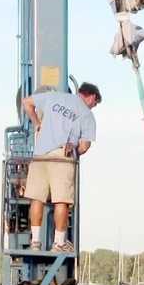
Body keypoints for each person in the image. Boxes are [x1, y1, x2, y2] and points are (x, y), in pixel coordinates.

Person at [21, 82, 101, 253]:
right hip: (62, 158)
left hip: (40, 155)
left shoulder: (52, 97)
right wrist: (74, 151)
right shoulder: (86, 114)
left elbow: (26, 102)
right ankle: (58, 243)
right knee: (61, 201)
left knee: (37, 198)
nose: (93, 107)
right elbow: (85, 146)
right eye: (95, 104)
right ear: (92, 97)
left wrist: (36, 123)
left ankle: (35, 242)